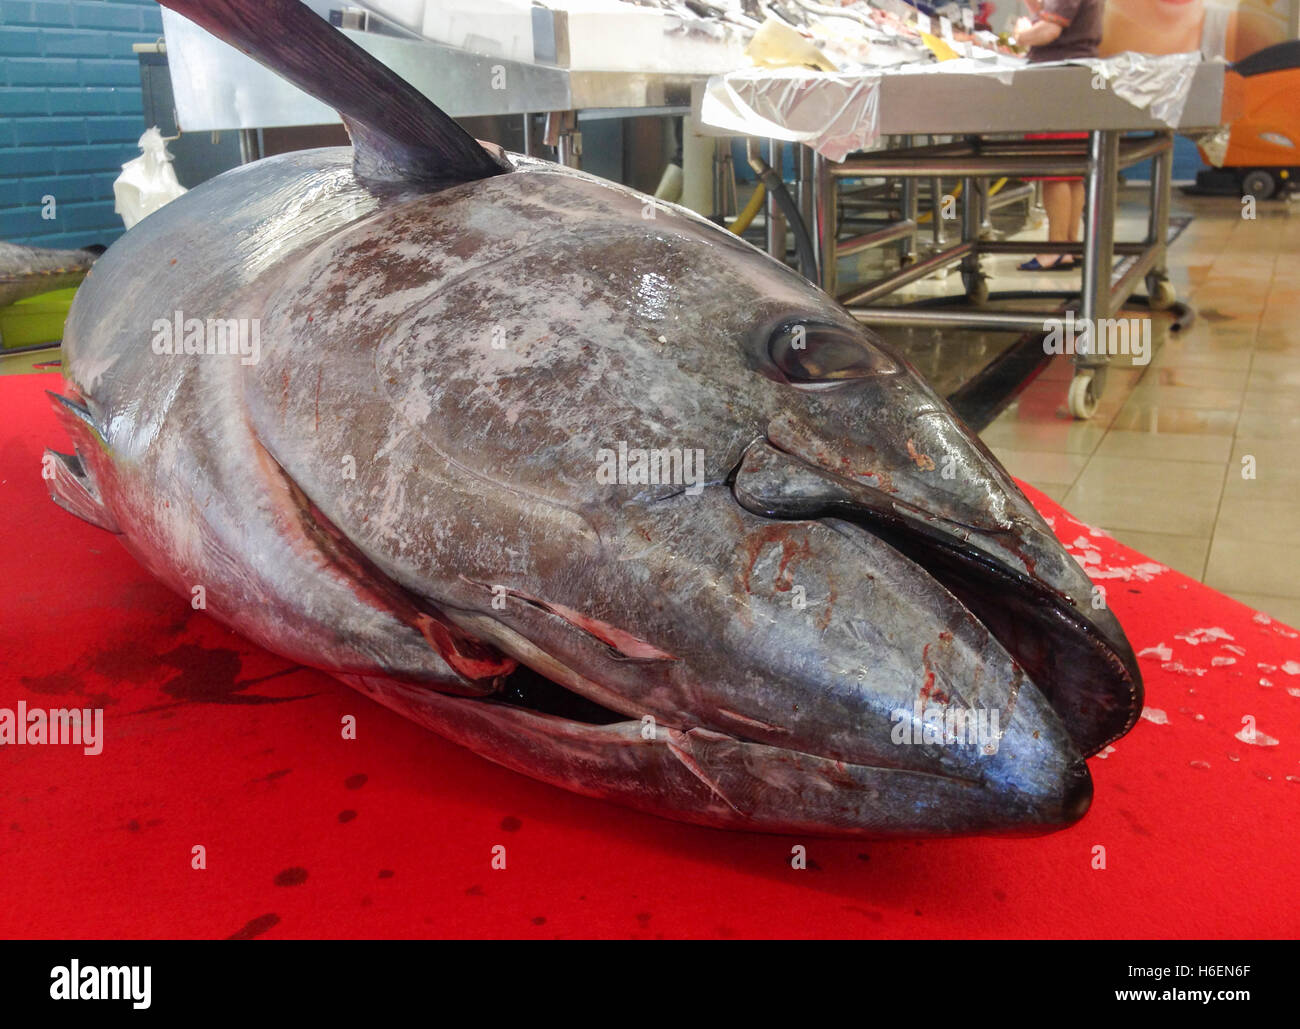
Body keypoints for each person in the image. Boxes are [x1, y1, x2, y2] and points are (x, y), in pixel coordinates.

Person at [1013, 0, 1104, 271]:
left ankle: (1053, 249)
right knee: (1073, 171)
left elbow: (1049, 31)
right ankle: (1068, 246)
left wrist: (1021, 34)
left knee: (1054, 168)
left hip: (1057, 79)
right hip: (1076, 77)